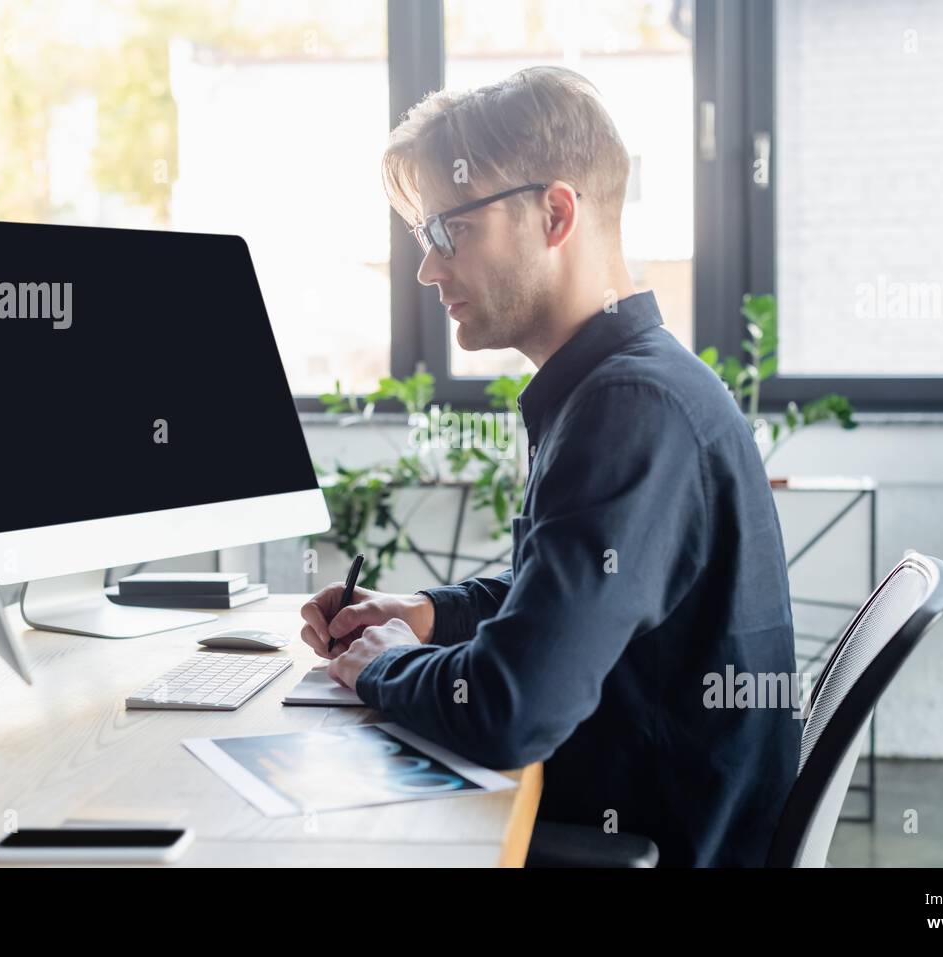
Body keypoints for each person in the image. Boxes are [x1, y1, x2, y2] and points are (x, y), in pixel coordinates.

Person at [300, 66, 801, 866]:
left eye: (446, 232)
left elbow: (512, 709)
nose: (430, 270)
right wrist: (430, 614)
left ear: (555, 213)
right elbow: (584, 593)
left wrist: (384, 665)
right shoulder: (630, 384)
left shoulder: (629, 407)